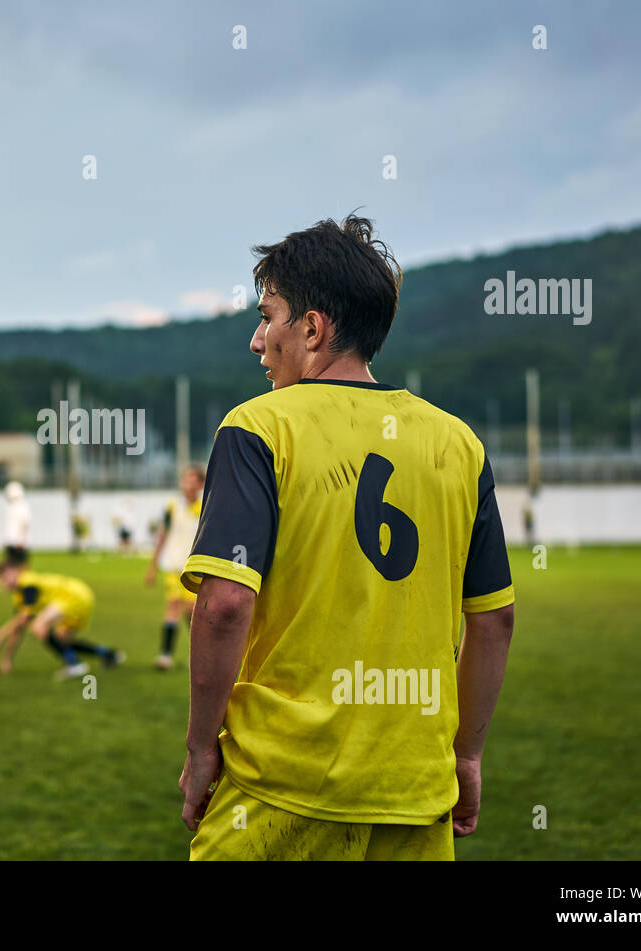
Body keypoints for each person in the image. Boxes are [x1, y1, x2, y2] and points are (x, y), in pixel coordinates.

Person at [179, 215, 515, 861]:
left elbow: (223, 603)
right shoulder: (459, 442)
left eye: (267, 315)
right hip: (415, 786)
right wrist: (466, 755)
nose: (257, 339)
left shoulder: (257, 428)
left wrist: (200, 748)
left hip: (283, 783)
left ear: (311, 328)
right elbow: (495, 620)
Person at [0, 558, 124, 678]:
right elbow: (18, 628)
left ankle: (75, 665)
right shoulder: (19, 596)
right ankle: (109, 654)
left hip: (72, 596)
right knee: (62, 639)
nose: (5, 580)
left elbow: (23, 619)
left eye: (6, 575)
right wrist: (6, 659)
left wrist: (2, 633)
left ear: (16, 572)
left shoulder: (27, 581)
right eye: (2, 577)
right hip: (81, 596)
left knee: (38, 627)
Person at [144, 465, 205, 670]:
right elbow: (163, 535)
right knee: (173, 605)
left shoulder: (204, 507)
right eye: (185, 478)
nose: (187, 483)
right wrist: (153, 566)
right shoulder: (172, 507)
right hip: (172, 566)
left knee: (192, 611)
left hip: (194, 568)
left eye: (192, 479)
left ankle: (197, 654)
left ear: (200, 484)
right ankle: (165, 655)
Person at [2, 480, 31, 566]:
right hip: (11, 542)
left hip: (18, 543)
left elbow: (25, 524)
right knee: (10, 566)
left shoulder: (22, 506)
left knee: (19, 566)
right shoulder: (10, 507)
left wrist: (21, 540)